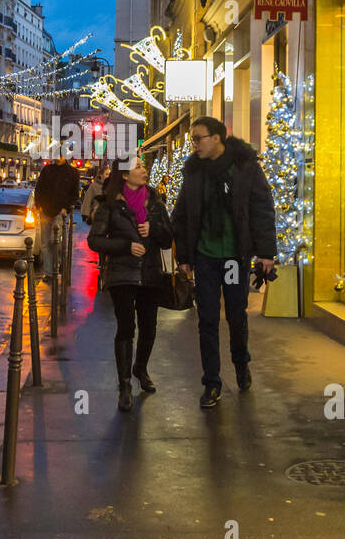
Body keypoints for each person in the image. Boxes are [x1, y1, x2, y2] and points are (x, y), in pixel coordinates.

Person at [172, 116, 277, 409]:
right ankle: (212, 382)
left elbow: (261, 208)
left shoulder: (244, 167)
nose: (194, 144)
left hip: (233, 257)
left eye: (198, 138)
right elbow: (182, 216)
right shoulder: (194, 172)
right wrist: (183, 257)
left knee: (235, 314)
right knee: (206, 319)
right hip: (205, 258)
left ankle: (241, 363)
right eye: (192, 139)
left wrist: (266, 253)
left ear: (217, 138)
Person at [87, 159, 172, 411]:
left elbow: (168, 239)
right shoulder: (109, 205)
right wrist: (125, 246)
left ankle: (140, 369)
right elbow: (95, 241)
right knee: (126, 328)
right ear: (124, 175)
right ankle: (124, 385)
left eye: (143, 166)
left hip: (150, 274)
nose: (144, 170)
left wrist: (153, 228)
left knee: (149, 327)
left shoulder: (156, 203)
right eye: (137, 167)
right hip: (122, 274)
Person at [35, 154, 80, 278]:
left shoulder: (72, 172)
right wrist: (39, 204)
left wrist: (66, 208)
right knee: (45, 243)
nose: (57, 157)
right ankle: (49, 273)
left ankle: (61, 261)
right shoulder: (47, 170)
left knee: (54, 240)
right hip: (45, 209)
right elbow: (39, 188)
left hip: (60, 211)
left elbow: (75, 194)